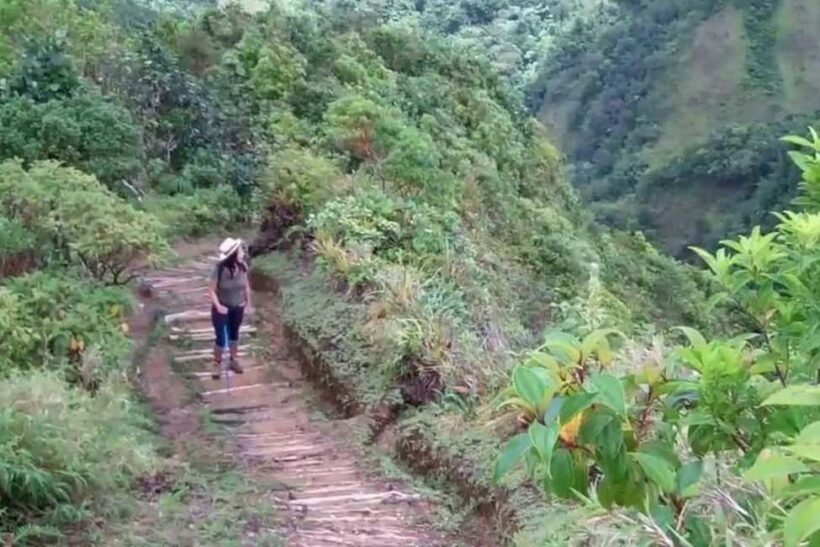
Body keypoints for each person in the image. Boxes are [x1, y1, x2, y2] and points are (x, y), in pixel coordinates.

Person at [208, 237, 252, 380]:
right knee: (221, 338)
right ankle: (217, 363)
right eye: (240, 250)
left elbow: (246, 286)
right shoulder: (219, 269)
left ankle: (233, 360)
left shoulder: (242, 267)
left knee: (234, 335)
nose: (242, 252)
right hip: (221, 309)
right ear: (233, 254)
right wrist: (219, 306)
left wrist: (248, 304)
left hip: (237, 307)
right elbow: (212, 290)